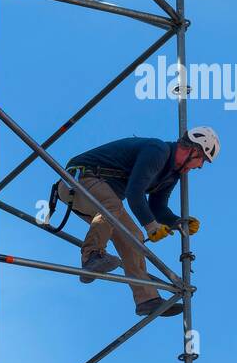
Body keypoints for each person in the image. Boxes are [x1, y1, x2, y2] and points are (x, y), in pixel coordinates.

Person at [55, 127, 219, 319]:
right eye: (202, 161)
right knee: (112, 206)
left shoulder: (171, 174)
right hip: (78, 180)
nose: (199, 167)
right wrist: (151, 226)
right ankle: (91, 257)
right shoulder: (158, 150)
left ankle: (146, 300)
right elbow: (135, 192)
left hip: (99, 196)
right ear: (194, 150)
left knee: (134, 237)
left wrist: (177, 222)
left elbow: (157, 207)